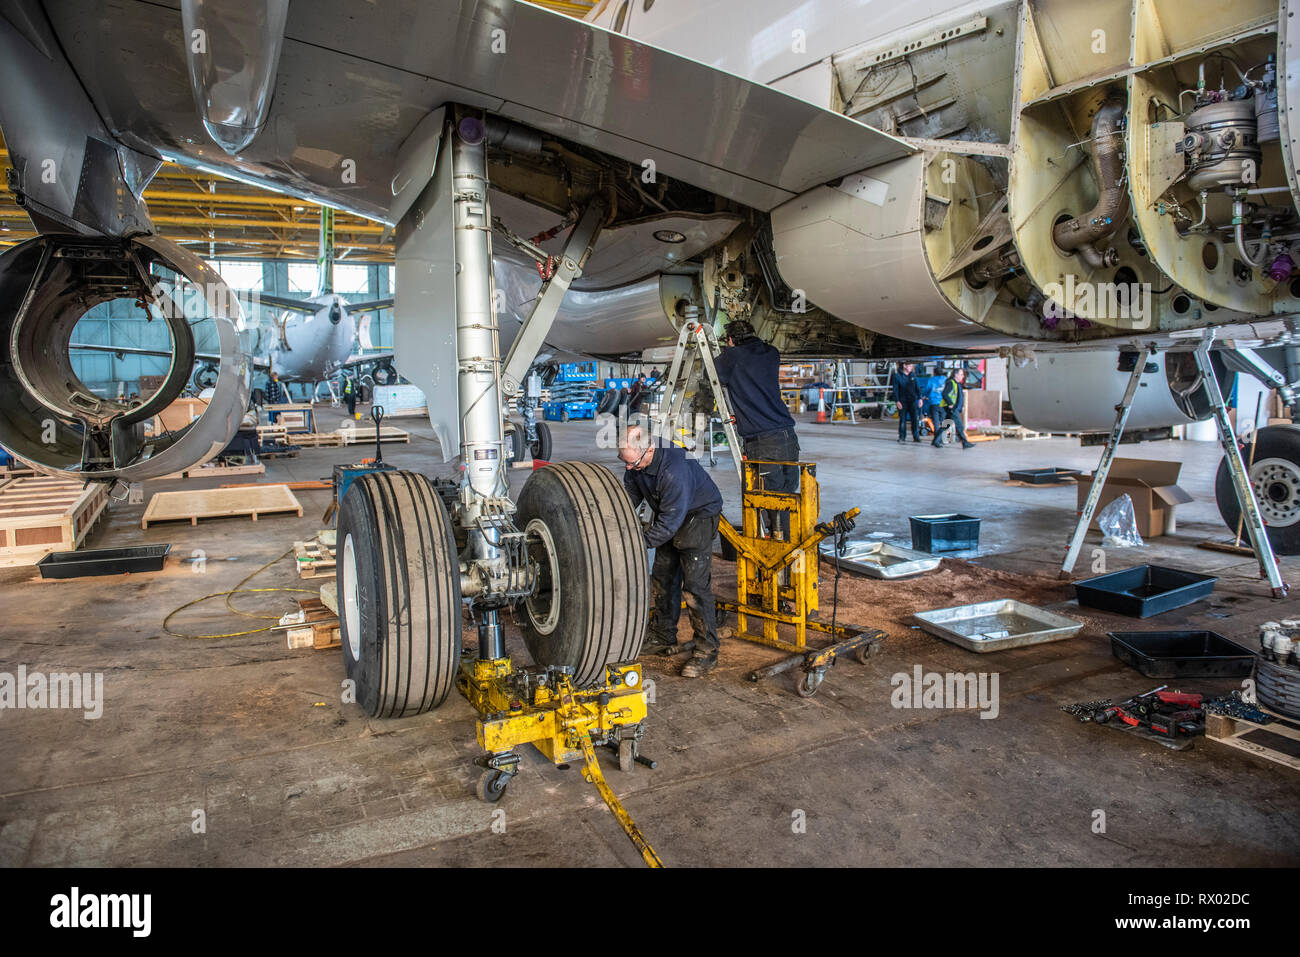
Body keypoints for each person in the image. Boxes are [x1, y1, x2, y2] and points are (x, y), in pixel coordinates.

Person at [620, 424, 724, 678]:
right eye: (625, 462)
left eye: (633, 463)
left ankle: (706, 651)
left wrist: (635, 542)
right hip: (671, 513)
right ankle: (663, 635)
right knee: (664, 576)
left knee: (695, 587)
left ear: (650, 450)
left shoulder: (674, 471)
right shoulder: (636, 464)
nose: (628, 468)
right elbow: (629, 497)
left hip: (698, 515)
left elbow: (668, 525)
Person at [713, 319, 799, 538]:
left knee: (773, 498)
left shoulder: (732, 357)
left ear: (731, 340)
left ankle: (780, 551)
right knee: (789, 495)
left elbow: (712, 375)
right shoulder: (771, 352)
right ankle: (794, 545)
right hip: (788, 435)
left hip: (764, 442)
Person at [933, 367, 975, 449]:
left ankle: (935, 441)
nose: (963, 376)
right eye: (961, 374)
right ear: (956, 375)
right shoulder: (951, 382)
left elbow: (958, 397)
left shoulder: (956, 384)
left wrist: (961, 407)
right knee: (959, 425)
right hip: (951, 408)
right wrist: (950, 404)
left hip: (953, 408)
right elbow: (944, 394)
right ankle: (965, 442)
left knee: (946, 425)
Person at [891, 362, 923, 443]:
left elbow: (917, 387)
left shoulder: (913, 375)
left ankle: (916, 437)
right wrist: (897, 401)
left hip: (912, 401)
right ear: (905, 366)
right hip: (902, 402)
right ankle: (902, 437)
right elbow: (895, 390)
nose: (911, 367)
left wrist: (920, 398)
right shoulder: (897, 376)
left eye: (912, 366)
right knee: (903, 420)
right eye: (910, 366)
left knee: (915, 419)